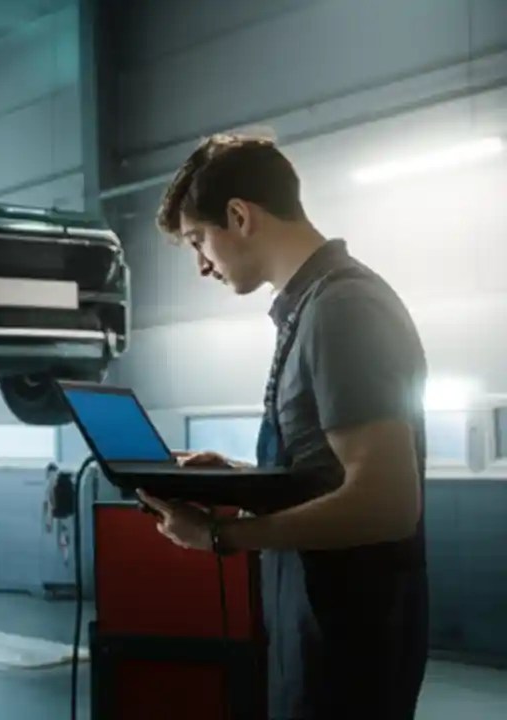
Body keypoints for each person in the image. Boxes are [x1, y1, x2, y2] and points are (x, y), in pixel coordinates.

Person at [138, 133, 429, 720]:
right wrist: (244, 479)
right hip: (322, 628)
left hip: (348, 645)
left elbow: (387, 503)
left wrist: (222, 535)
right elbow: (330, 473)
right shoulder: (313, 307)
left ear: (239, 216)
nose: (202, 265)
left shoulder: (342, 309)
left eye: (198, 241)